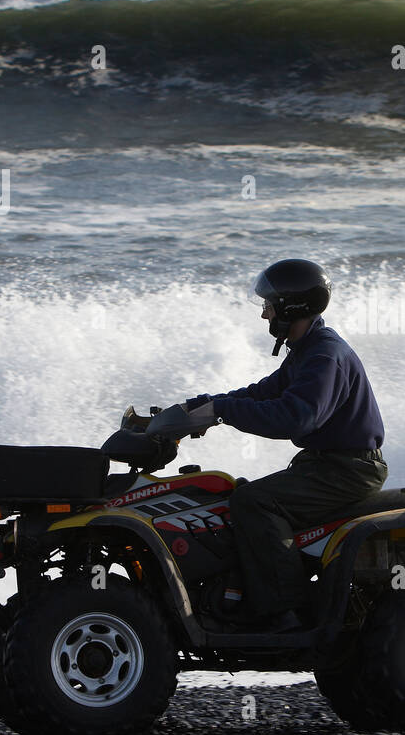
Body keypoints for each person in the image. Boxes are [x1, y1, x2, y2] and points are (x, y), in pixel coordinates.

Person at [146, 259, 386, 631]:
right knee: (230, 494)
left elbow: (295, 416)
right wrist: (201, 408)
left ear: (292, 307)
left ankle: (284, 613)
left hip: (346, 471)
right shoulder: (308, 350)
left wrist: (223, 410)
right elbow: (262, 393)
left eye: (269, 306)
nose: (264, 315)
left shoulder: (325, 356)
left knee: (252, 501)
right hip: (326, 465)